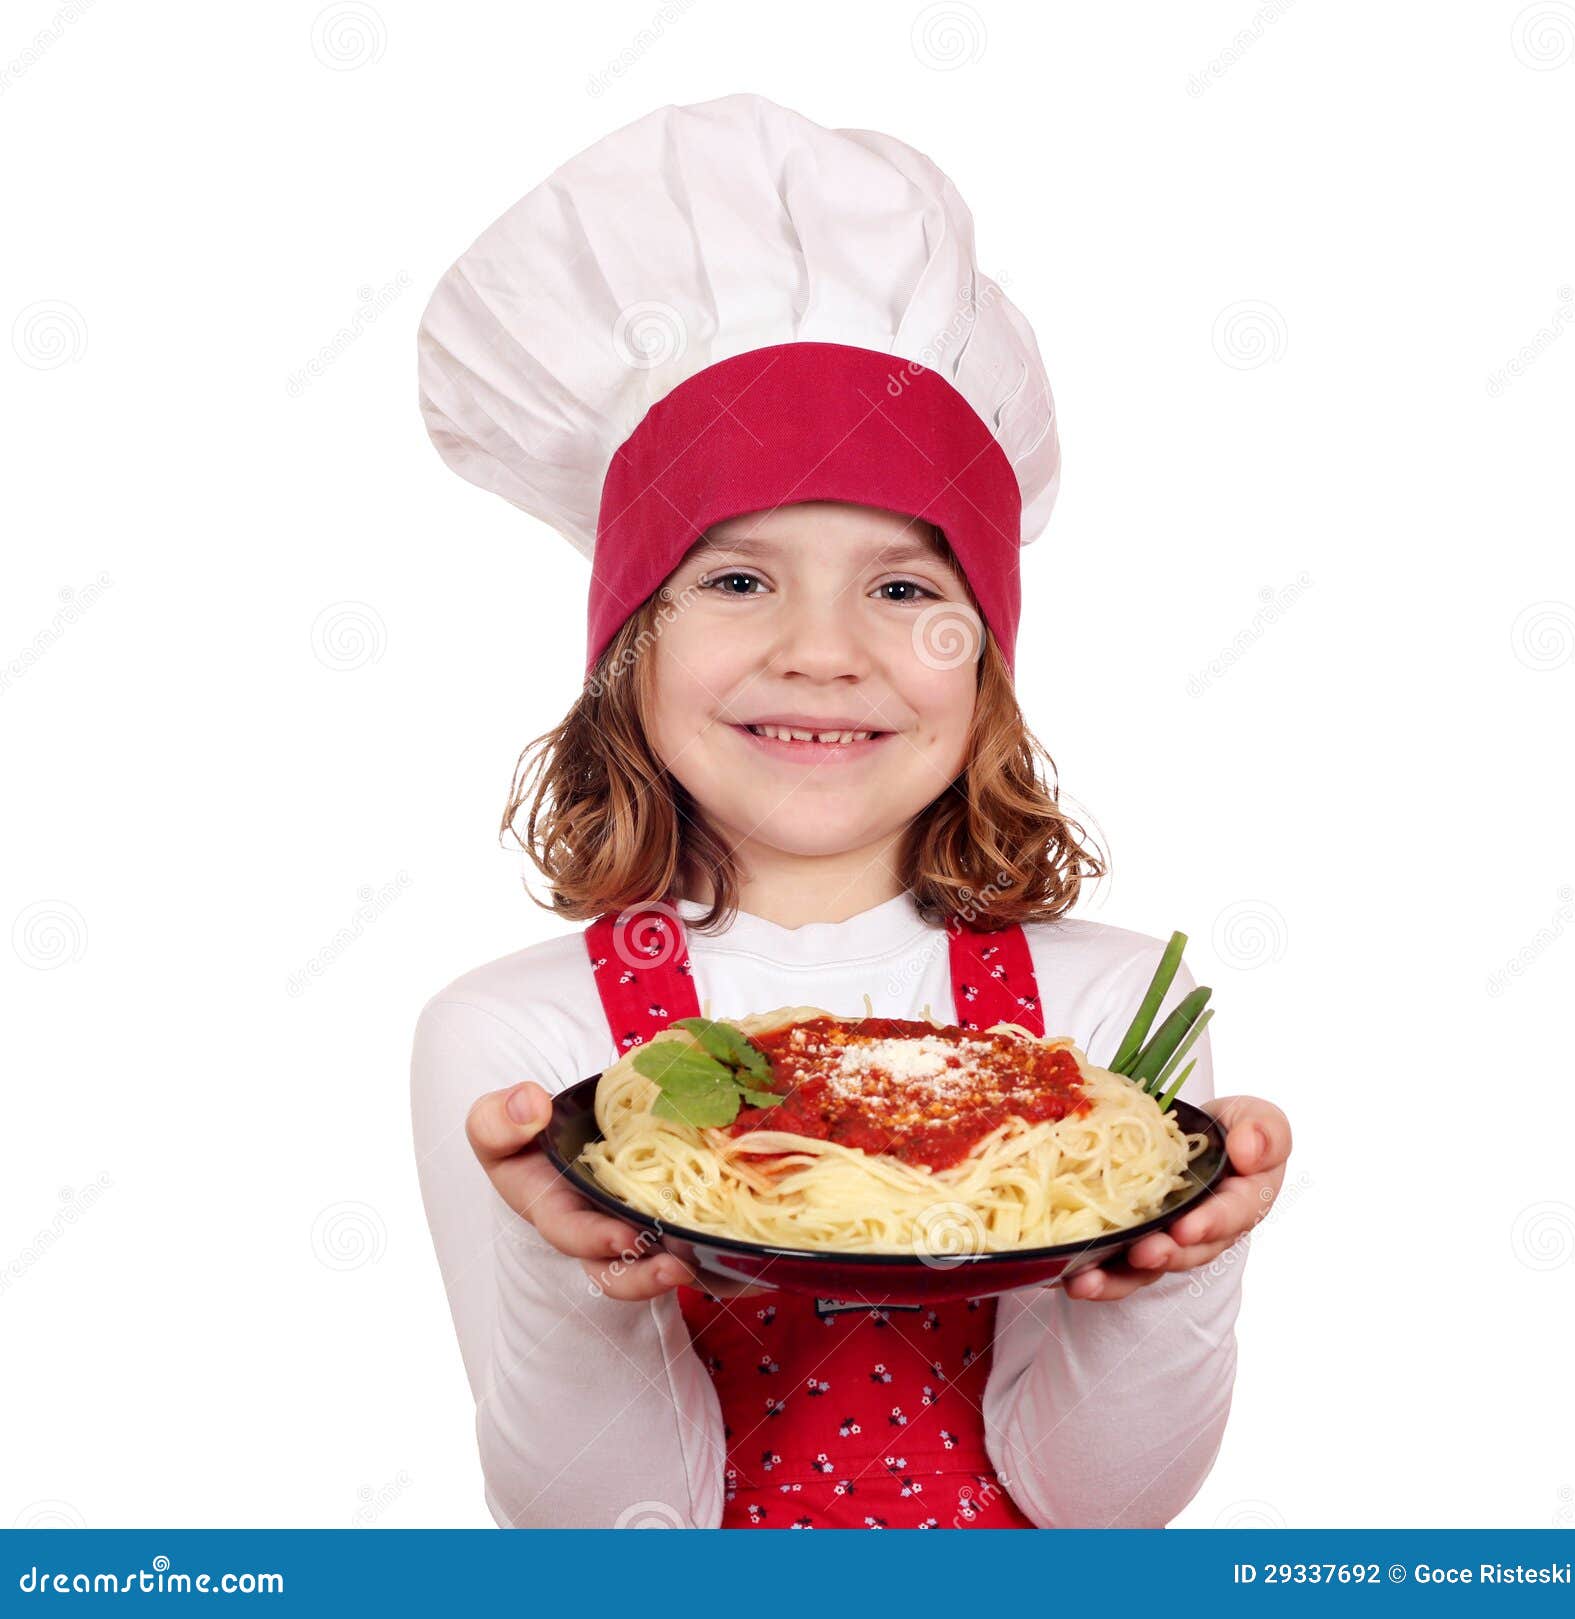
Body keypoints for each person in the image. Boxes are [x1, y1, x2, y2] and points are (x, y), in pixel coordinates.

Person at [410, 93, 1292, 1530]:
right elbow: (611, 1542)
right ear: (629, 642)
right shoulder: (516, 1041)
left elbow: (1100, 1514)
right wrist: (567, 1277)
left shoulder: (1114, 1012)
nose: (823, 651)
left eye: (902, 590)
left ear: (985, 665)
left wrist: (1173, 1273)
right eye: (739, 579)